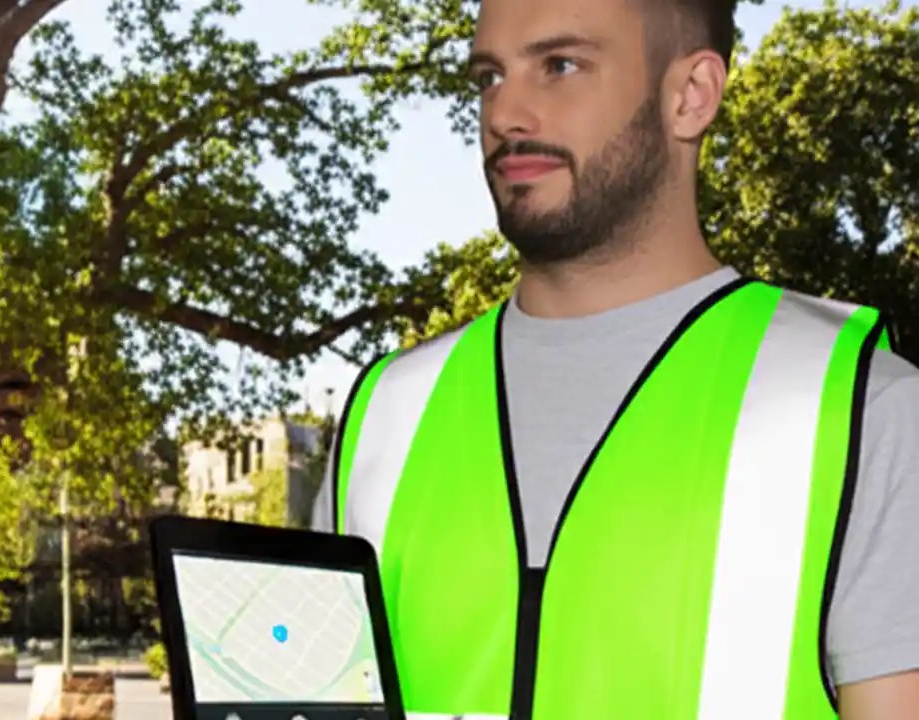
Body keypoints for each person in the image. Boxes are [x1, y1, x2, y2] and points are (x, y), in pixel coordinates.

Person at [310, 0, 919, 717]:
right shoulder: (383, 413)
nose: (506, 111)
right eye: (488, 77)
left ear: (690, 96)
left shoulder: (863, 407)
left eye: (560, 66)